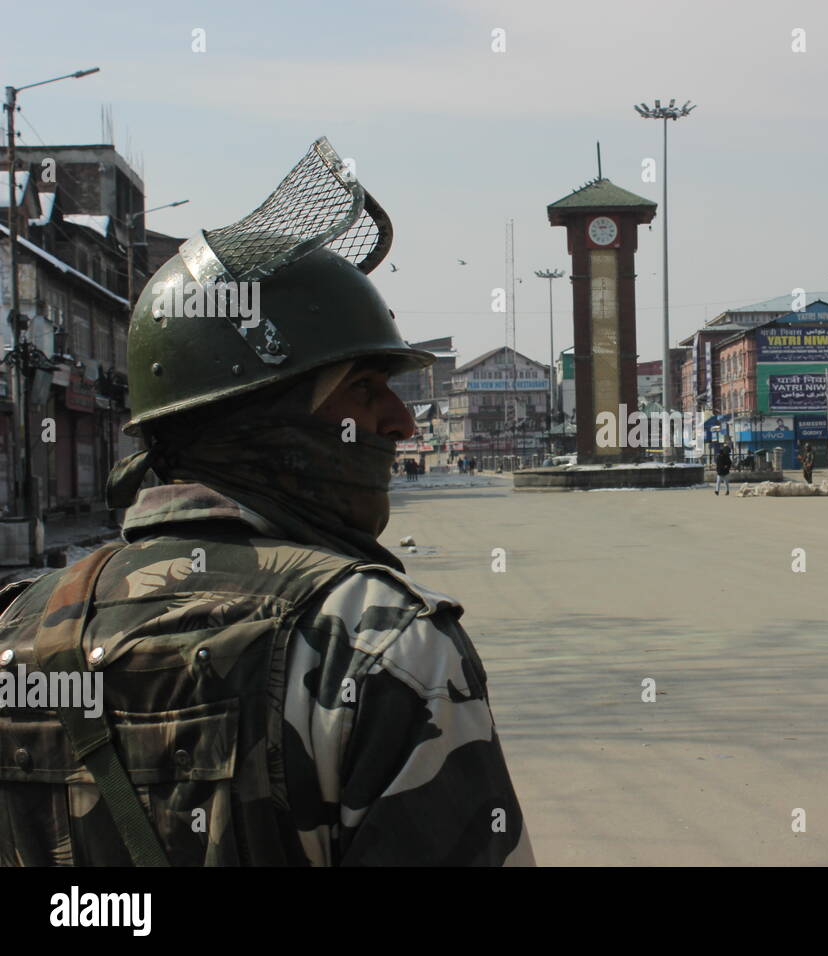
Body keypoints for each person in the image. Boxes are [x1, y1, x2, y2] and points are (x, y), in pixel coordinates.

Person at [0, 139, 531, 867]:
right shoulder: (378, 649)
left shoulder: (20, 633)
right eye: (364, 391)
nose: (401, 425)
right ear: (266, 418)